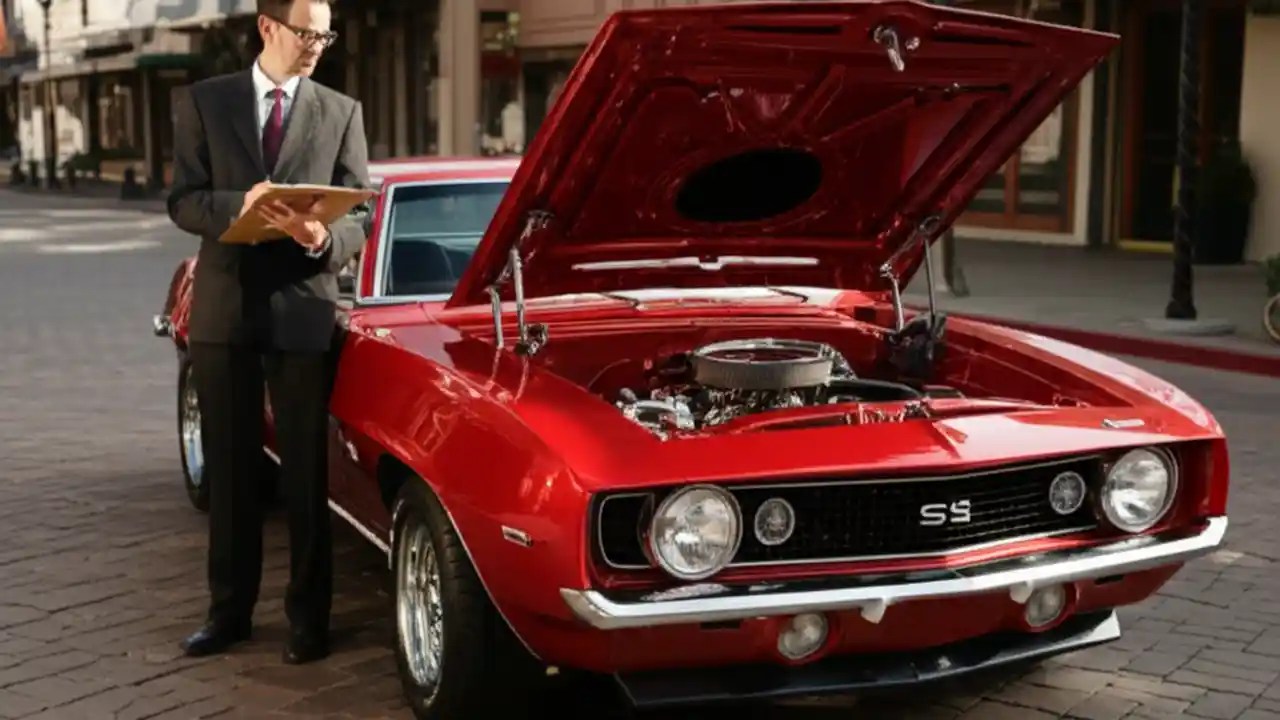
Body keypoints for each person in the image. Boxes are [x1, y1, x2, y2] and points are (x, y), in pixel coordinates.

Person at [166, 0, 369, 665]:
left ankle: (309, 620)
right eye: (307, 31)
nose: (317, 44)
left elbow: (359, 216)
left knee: (306, 477)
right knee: (230, 476)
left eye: (326, 33)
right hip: (225, 312)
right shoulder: (204, 102)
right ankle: (228, 613)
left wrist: (323, 236)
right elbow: (184, 200)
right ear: (268, 27)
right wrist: (241, 206)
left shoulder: (341, 112)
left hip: (303, 311)